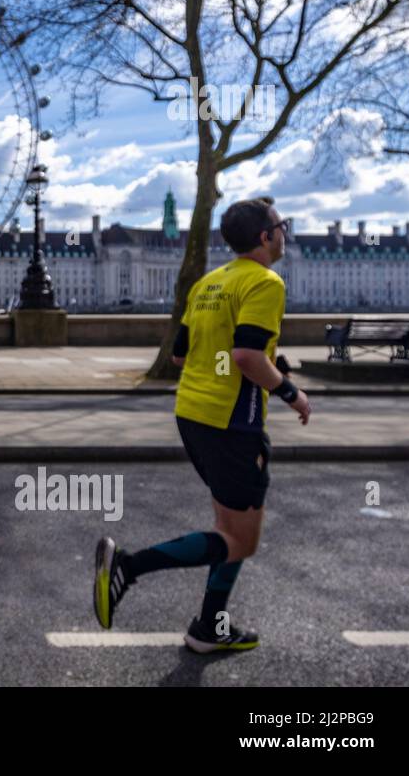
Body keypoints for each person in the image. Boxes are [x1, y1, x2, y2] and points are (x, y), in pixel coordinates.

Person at [95, 197, 312, 652]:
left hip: (193, 414)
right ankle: (129, 567)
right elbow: (247, 356)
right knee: (242, 541)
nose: (285, 232)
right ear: (266, 237)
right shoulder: (265, 282)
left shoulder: (207, 283)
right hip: (231, 422)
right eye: (282, 226)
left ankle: (209, 628)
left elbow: (179, 355)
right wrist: (291, 392)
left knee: (228, 527)